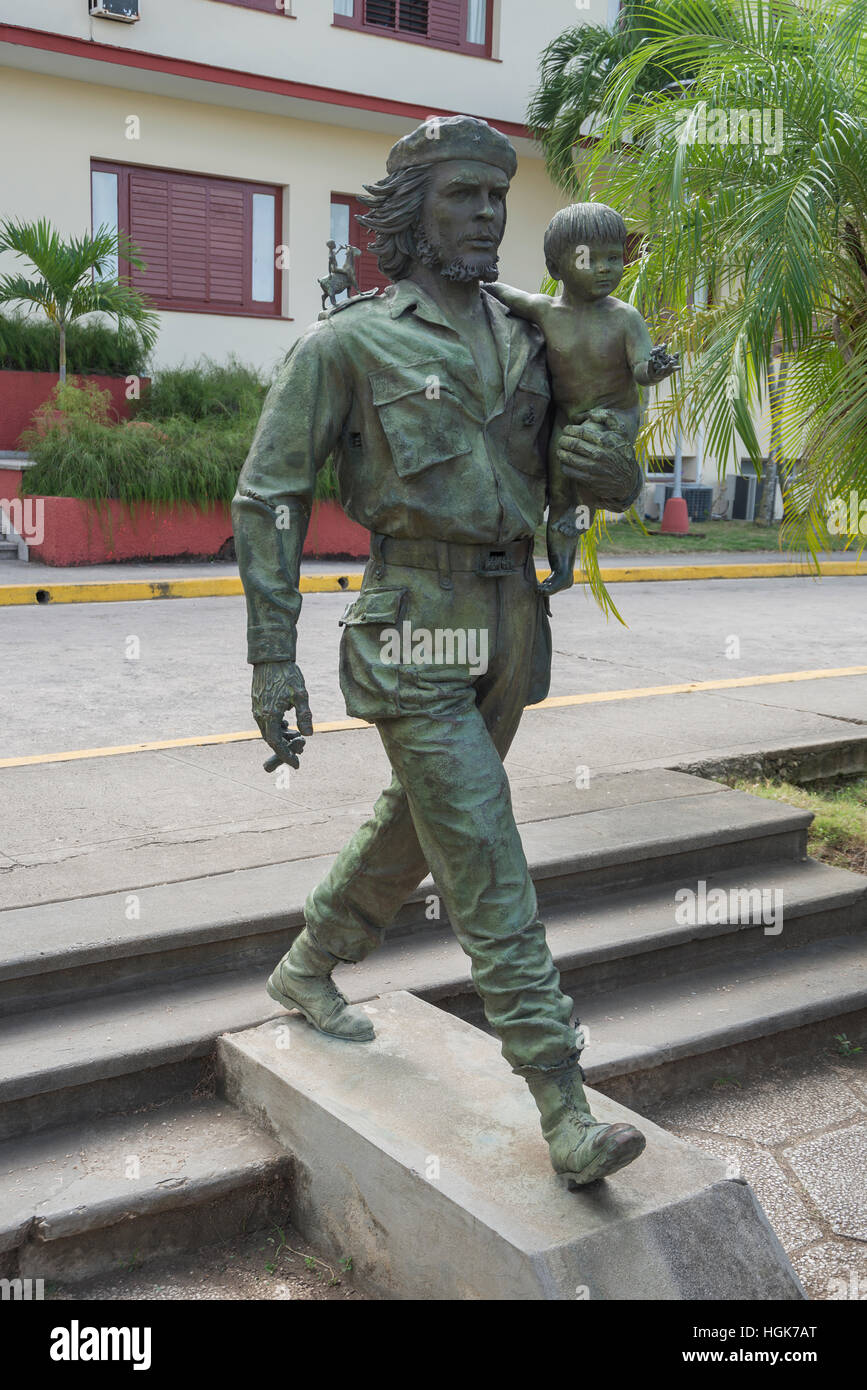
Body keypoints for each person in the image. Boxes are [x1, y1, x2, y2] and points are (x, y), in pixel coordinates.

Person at [231, 117, 647, 1187]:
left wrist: (611, 470)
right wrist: (272, 657)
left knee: (425, 816)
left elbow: (592, 471)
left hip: (512, 620)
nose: (488, 217)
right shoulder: (349, 343)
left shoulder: (536, 333)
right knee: (482, 843)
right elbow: (269, 494)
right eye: (465, 197)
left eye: (498, 200)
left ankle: (309, 961)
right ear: (413, 215)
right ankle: (562, 1097)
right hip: (413, 617)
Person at [487, 202, 679, 592]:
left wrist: (654, 369)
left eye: (614, 257)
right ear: (557, 267)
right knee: (561, 496)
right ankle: (562, 569)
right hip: (567, 418)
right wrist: (479, 282)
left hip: (615, 416)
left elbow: (641, 368)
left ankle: (576, 526)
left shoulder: (625, 318)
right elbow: (506, 294)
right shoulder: (546, 311)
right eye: (589, 259)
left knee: (583, 493)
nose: (606, 268)